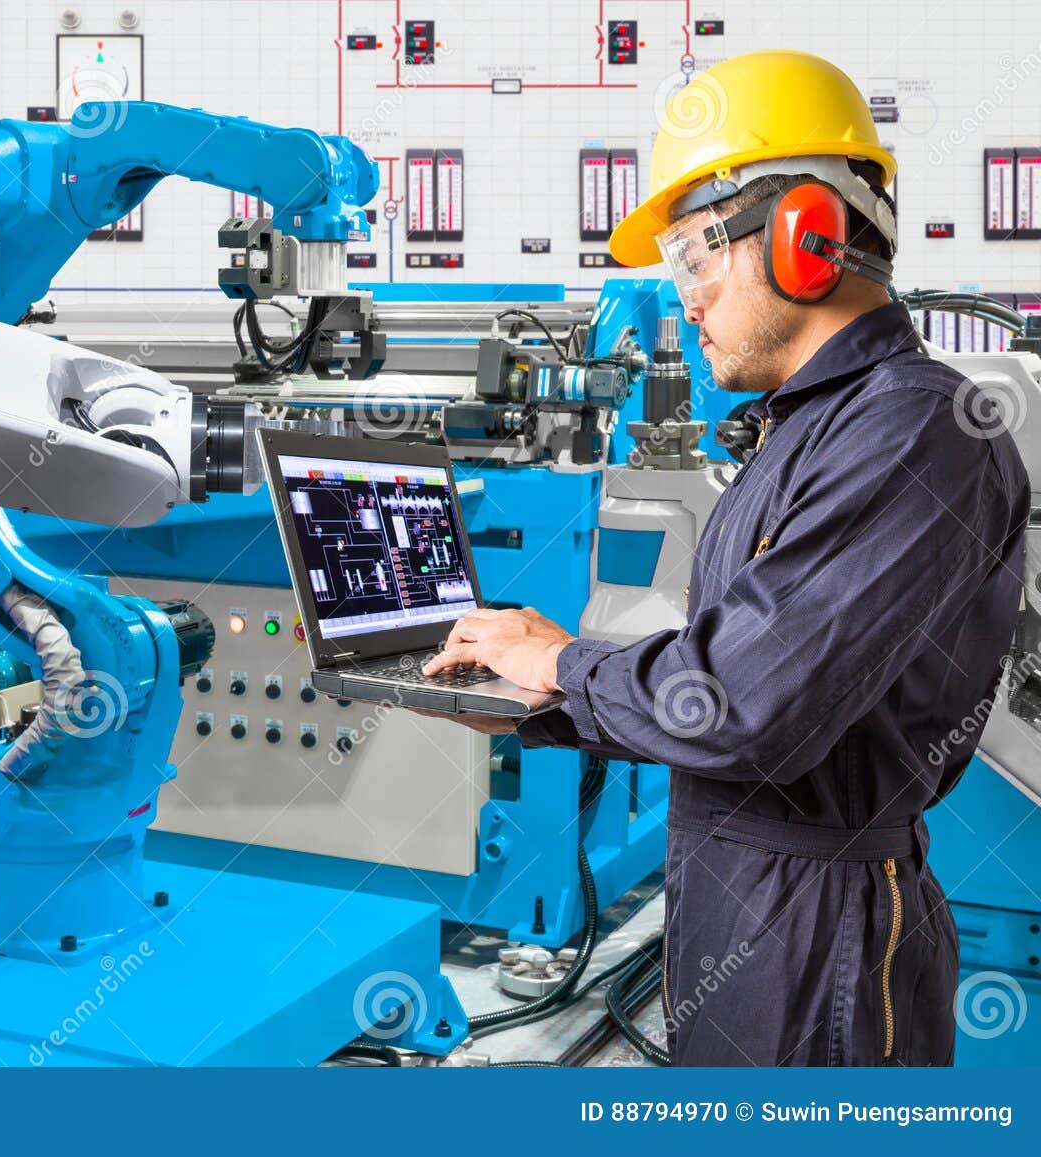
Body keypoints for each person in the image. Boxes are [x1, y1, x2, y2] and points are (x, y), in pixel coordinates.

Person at [424, 50, 1029, 1065]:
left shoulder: (915, 431)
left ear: (805, 237)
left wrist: (564, 664)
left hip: (819, 936)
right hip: (750, 899)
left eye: (696, 259)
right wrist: (545, 694)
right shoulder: (811, 426)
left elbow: (747, 706)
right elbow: (749, 667)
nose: (687, 301)